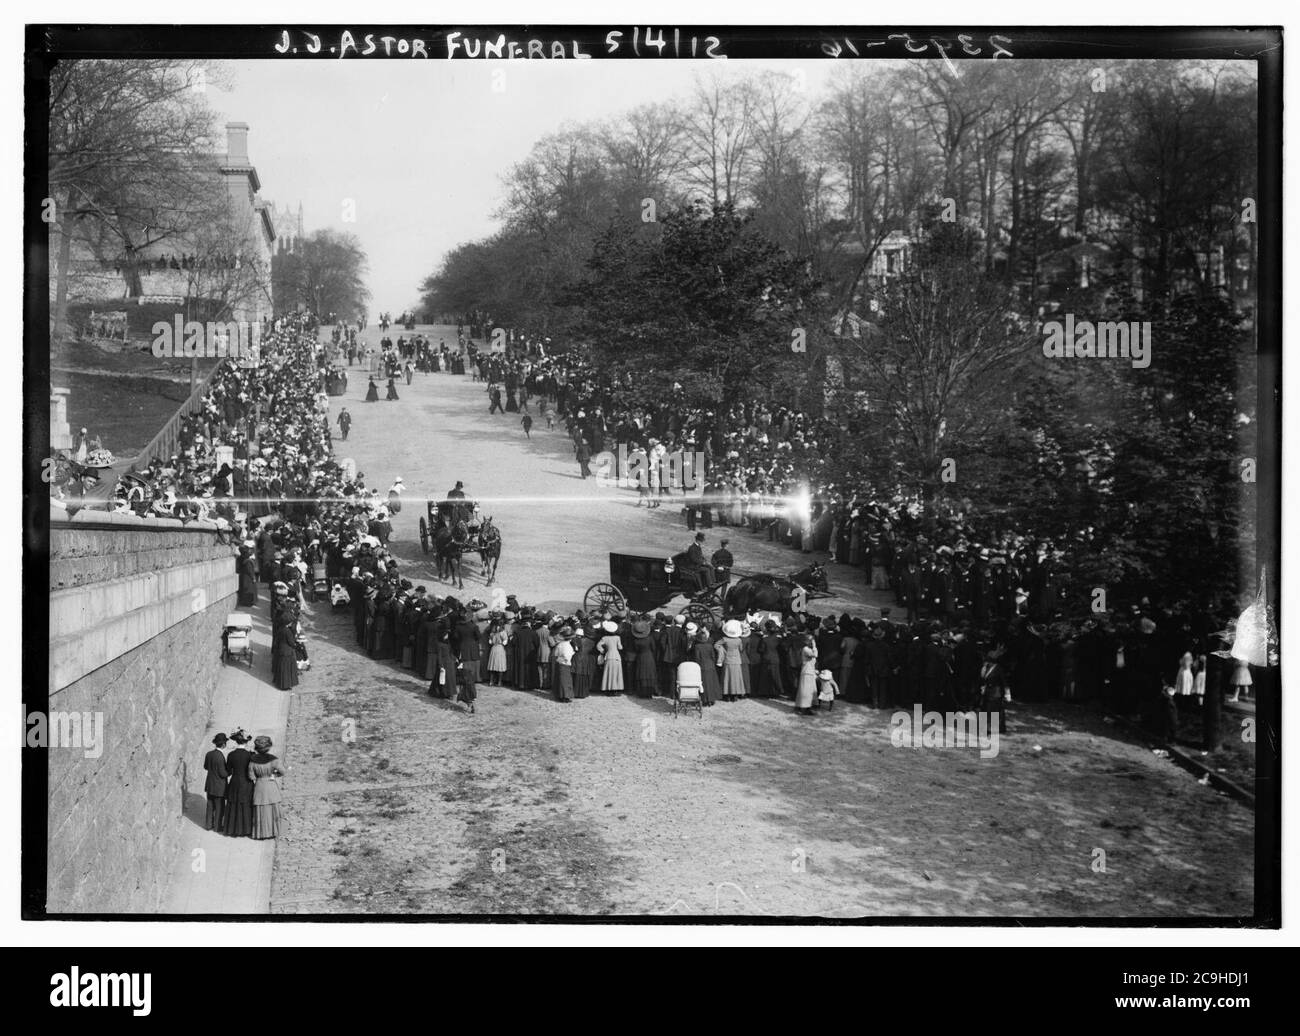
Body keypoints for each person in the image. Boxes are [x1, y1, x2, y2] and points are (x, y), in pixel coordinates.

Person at [248, 736, 287, 840]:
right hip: (271, 785)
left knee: (261, 810)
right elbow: (283, 771)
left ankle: (261, 832)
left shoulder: (253, 761)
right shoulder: (274, 760)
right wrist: (274, 775)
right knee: (273, 808)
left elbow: (251, 776)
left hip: (260, 786)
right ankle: (274, 831)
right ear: (269, 747)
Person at [222, 730, 253, 837]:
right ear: (246, 742)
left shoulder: (231, 755)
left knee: (234, 804)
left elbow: (229, 771)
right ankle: (245, 829)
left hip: (235, 781)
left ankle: (232, 828)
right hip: (246, 782)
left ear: (236, 742)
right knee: (245, 804)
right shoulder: (249, 755)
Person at [715, 618, 748, 701]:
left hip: (727, 659)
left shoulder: (724, 639)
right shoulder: (739, 640)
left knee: (727, 678)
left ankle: (727, 694)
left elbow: (716, 645)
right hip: (736, 660)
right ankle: (735, 694)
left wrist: (721, 650)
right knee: (736, 678)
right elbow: (741, 649)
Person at [203, 734, 229, 831]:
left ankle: (208, 825)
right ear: (223, 745)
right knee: (219, 806)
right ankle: (217, 826)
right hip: (219, 786)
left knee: (210, 805)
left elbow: (205, 767)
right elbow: (223, 773)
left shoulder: (209, 754)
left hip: (210, 784)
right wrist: (230, 772)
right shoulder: (220, 757)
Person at [597, 619, 624, 692]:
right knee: (617, 673)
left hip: (608, 656)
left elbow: (598, 646)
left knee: (608, 673)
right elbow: (620, 647)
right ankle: (616, 689)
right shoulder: (617, 637)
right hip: (616, 657)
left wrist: (603, 651)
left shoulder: (604, 638)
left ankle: (608, 688)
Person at [795, 635, 818, 715]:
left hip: (810, 671)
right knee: (806, 690)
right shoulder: (806, 649)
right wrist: (814, 646)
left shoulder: (808, 649)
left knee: (808, 690)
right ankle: (804, 707)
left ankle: (804, 706)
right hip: (807, 672)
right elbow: (815, 655)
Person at [553, 626, 575, 702]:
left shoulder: (559, 644)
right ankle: (565, 696)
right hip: (565, 663)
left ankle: (559, 695)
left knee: (560, 679)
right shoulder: (568, 646)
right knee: (566, 681)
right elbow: (567, 656)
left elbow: (555, 654)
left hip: (559, 662)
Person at [486, 618, 508, 685]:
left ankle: (491, 681)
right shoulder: (503, 632)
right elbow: (505, 643)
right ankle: (499, 682)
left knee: (492, 665)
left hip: (493, 648)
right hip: (500, 648)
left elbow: (490, 642)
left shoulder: (492, 632)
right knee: (500, 666)